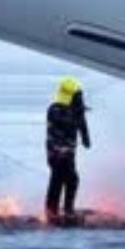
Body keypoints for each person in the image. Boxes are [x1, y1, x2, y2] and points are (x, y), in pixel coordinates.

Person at [45, 77, 91, 224]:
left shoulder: (77, 112)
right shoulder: (55, 109)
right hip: (56, 152)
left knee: (68, 179)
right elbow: (65, 124)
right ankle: (55, 211)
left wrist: (85, 138)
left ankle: (63, 210)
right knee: (62, 179)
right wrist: (77, 112)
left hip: (69, 153)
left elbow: (82, 126)